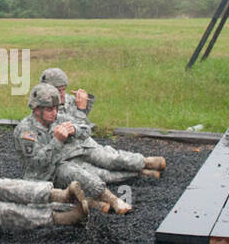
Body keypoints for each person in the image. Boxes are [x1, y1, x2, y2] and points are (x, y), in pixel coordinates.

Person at [15, 84, 133, 214]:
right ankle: (90, 203)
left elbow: (86, 129)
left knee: (83, 175)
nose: (54, 113)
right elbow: (37, 164)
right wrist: (57, 141)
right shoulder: (26, 131)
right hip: (38, 179)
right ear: (37, 109)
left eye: (56, 108)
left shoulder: (58, 118)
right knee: (52, 208)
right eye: (49, 109)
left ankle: (113, 200)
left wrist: (75, 130)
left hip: (58, 168)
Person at [37, 67, 165, 179]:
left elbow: (84, 131)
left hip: (85, 145)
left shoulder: (69, 101)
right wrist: (81, 110)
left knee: (112, 159)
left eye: (63, 89)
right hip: (67, 155)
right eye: (57, 91)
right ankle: (140, 173)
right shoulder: (41, 110)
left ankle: (145, 162)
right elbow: (67, 129)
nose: (62, 94)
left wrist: (84, 104)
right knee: (100, 175)